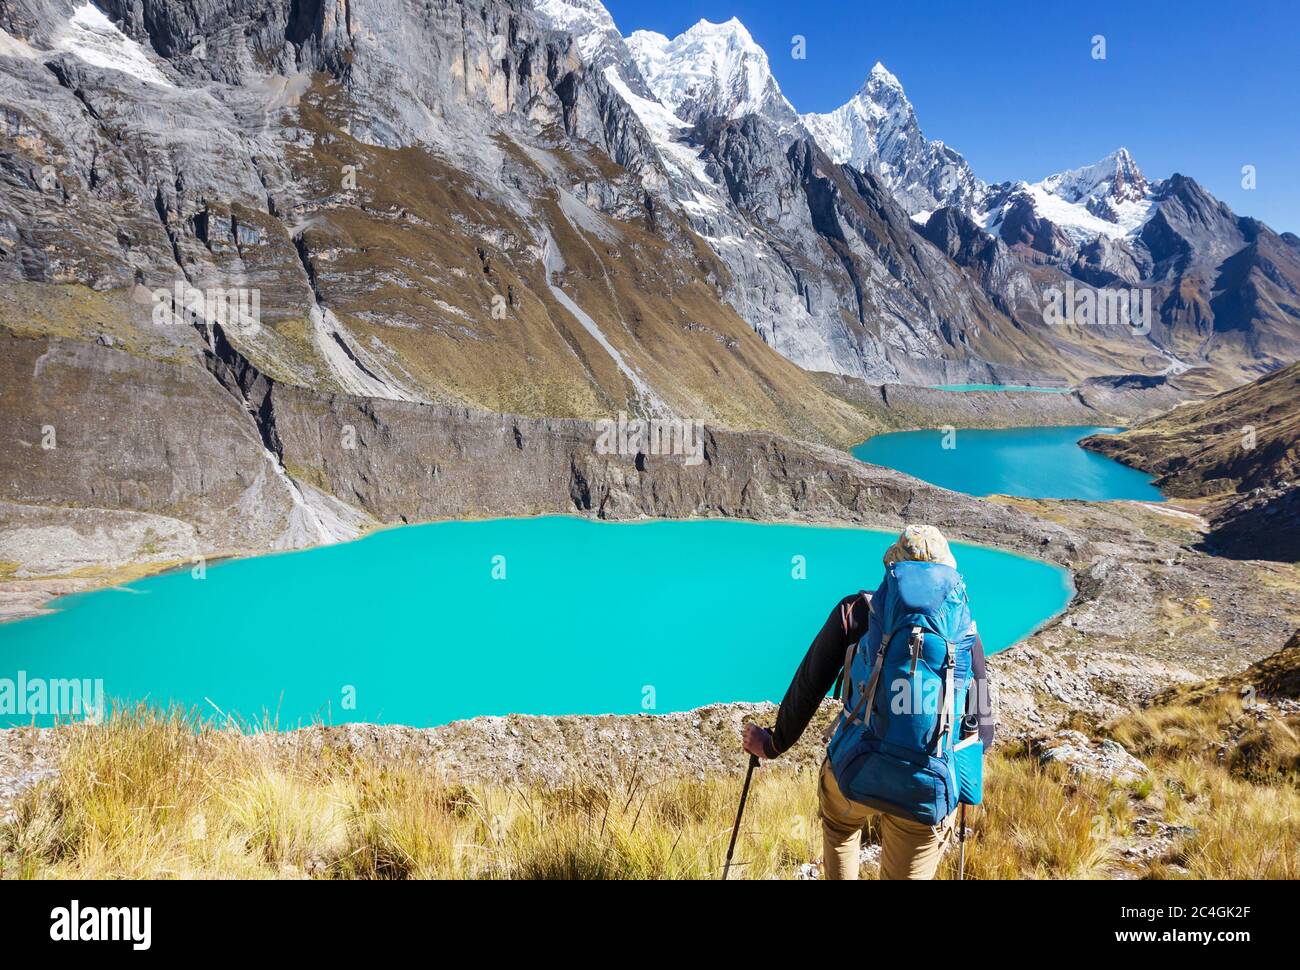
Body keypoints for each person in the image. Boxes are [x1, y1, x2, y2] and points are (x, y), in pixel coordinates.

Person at [743, 524, 994, 880]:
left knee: (840, 827)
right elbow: (983, 730)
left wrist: (772, 744)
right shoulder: (964, 633)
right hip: (926, 789)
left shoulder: (857, 609)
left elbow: (808, 688)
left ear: (893, 571)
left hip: (854, 767)